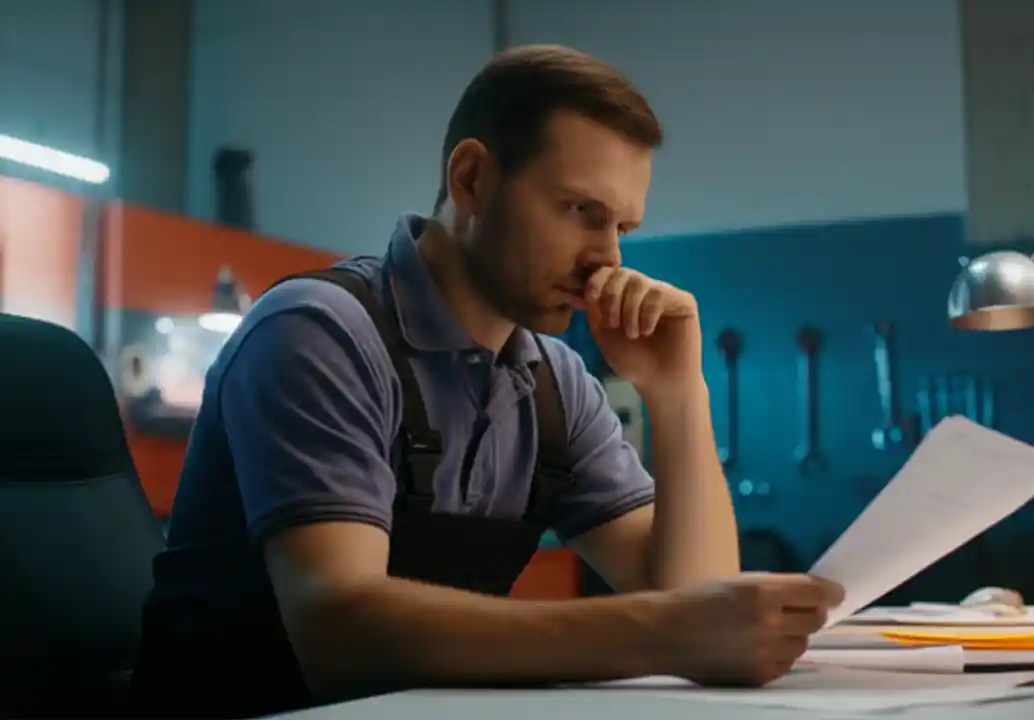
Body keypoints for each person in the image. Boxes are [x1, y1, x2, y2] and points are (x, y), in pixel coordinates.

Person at [129, 44, 843, 718]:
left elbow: (693, 602)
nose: (608, 259)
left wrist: (679, 394)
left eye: (622, 225)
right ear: (471, 178)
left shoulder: (556, 383)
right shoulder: (320, 332)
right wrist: (661, 633)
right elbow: (336, 630)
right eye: (579, 212)